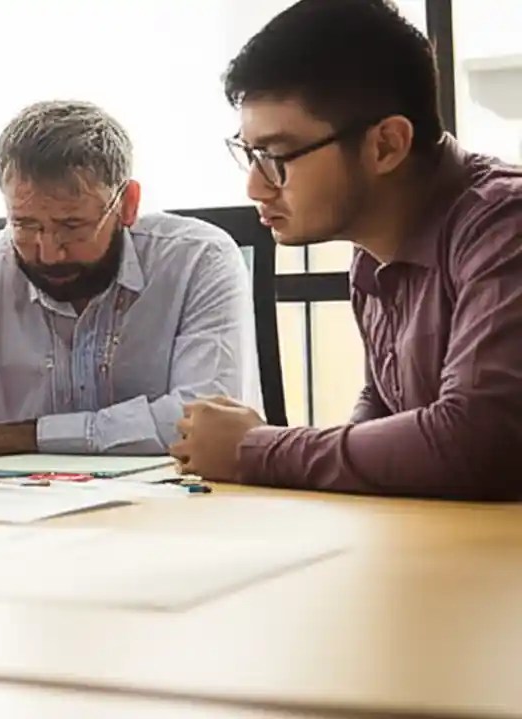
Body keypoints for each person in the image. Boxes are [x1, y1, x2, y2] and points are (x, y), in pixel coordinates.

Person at [169, 0, 522, 501]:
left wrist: (255, 448)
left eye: (275, 157)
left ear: (386, 145)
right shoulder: (373, 251)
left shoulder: (504, 225)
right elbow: (384, 407)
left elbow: (475, 439)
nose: (255, 186)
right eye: (249, 154)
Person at [0, 100, 260, 459]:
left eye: (73, 225)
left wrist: (22, 437)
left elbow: (201, 420)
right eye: (25, 224)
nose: (48, 252)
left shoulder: (199, 259)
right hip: (30, 518)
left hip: (191, 511)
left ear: (127, 204)